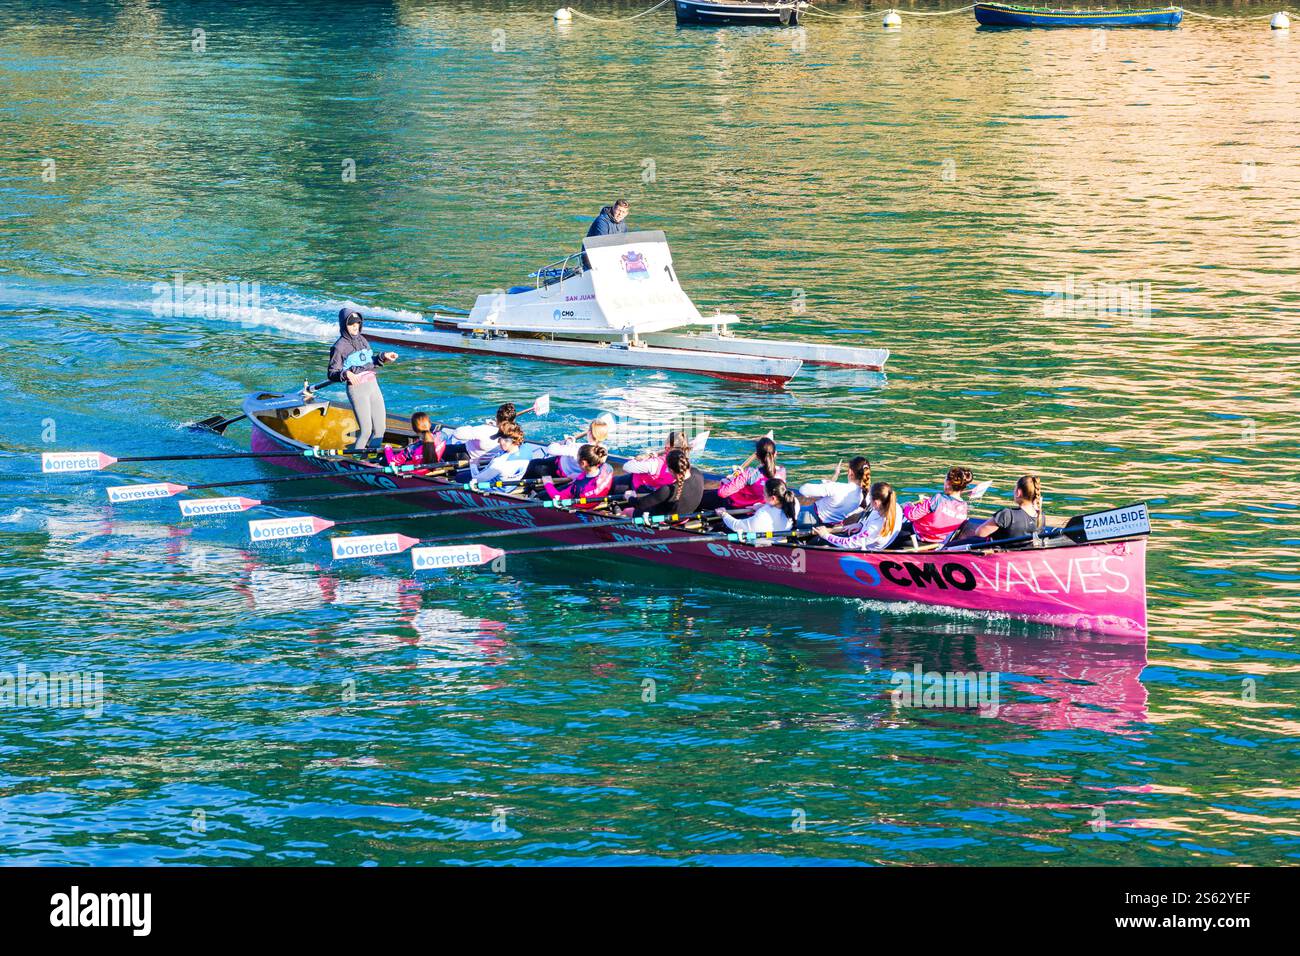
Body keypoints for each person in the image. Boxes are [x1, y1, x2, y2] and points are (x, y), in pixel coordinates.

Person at [328, 309, 397, 452]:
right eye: (351, 324)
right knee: (366, 431)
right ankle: (357, 461)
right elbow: (332, 373)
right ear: (343, 325)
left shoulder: (363, 339)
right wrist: (345, 373)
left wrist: (383, 356)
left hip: (373, 385)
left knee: (380, 430)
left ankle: (370, 460)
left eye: (357, 323)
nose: (355, 327)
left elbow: (370, 362)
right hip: (358, 389)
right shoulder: (338, 347)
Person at [811, 482, 903, 552]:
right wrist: (861, 525)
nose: (869, 500)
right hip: (866, 537)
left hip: (861, 552)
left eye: (870, 497)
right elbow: (871, 520)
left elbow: (847, 543)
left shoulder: (875, 528)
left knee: (817, 541)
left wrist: (825, 535)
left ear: (876, 503)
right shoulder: (895, 507)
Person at [701, 436, 785, 511]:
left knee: (702, 496)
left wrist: (728, 480)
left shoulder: (750, 474)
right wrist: (741, 475)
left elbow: (722, 493)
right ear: (775, 453)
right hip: (758, 507)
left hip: (736, 507)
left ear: (757, 456)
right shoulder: (781, 472)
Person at [898, 466, 974, 544]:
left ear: (948, 483)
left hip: (918, 535)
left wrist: (907, 506)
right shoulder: (964, 507)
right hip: (938, 541)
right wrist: (928, 503)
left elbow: (911, 516)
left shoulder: (937, 500)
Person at [523, 418, 612, 482]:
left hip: (560, 471)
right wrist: (570, 442)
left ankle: (525, 489)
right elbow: (572, 451)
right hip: (573, 470)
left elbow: (551, 450)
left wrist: (559, 443)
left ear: (589, 433)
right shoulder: (603, 450)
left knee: (534, 464)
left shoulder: (580, 448)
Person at [624, 449, 702, 517]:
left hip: (665, 519)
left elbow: (639, 505)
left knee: (627, 511)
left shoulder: (667, 490)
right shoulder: (697, 473)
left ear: (671, 470)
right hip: (687, 515)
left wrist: (630, 498)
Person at [798, 456, 872, 527]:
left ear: (850, 472)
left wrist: (831, 480)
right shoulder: (865, 496)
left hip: (809, 518)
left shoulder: (837, 488)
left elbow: (803, 490)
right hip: (830, 525)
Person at [539, 444, 614, 511]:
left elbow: (558, 498)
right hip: (596, 500)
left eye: (577, 457)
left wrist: (548, 483)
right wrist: (580, 476)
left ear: (583, 463)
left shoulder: (578, 487)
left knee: (541, 496)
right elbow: (593, 475)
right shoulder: (608, 468)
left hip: (578, 508)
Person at [442, 402, 517, 468]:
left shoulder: (484, 429)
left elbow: (457, 434)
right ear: (513, 420)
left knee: (441, 447)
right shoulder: (515, 434)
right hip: (488, 462)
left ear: (497, 418)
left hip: (467, 457)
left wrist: (479, 426)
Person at [613, 431, 690, 494]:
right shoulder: (684, 462)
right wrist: (654, 454)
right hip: (657, 490)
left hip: (639, 487)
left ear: (667, 446)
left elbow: (626, 467)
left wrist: (644, 457)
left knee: (611, 482)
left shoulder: (655, 463)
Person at [972, 475, 1044, 542]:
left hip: (1002, 553)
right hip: (1023, 552)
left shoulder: (1007, 514)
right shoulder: (1041, 516)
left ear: (1018, 492)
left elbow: (979, 533)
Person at [716, 479, 797, 535]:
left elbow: (736, 526)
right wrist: (762, 506)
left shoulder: (762, 515)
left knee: (722, 528)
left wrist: (723, 514)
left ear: (773, 498)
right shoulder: (794, 502)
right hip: (780, 536)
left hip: (764, 544)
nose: (763, 496)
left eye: (764, 494)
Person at [469, 422, 541, 485]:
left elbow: (476, 479)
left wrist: (473, 465)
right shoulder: (527, 448)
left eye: (499, 439)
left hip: (492, 488)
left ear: (504, 440)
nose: (498, 442)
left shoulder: (498, 463)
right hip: (512, 485)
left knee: (459, 476)